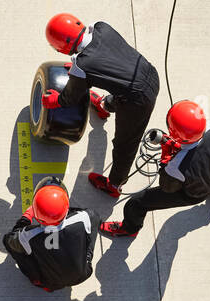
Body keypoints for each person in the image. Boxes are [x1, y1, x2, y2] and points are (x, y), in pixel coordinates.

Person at [40, 12, 159, 198]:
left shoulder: (82, 65)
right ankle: (104, 106)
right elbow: (108, 61)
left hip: (138, 101)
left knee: (124, 145)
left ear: (61, 48)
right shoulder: (101, 26)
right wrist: (76, 71)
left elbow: (69, 98)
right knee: (121, 90)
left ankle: (115, 184)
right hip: (149, 73)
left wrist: (54, 100)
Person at [100, 100, 210, 239]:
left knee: (136, 203)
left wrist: (165, 160)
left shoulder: (176, 166)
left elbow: (168, 187)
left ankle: (129, 229)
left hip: (192, 193)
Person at [2, 184, 97, 291]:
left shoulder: (30, 236)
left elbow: (9, 240)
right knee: (91, 226)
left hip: (49, 282)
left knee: (12, 243)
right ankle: (86, 260)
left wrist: (26, 217)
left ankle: (37, 279)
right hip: (83, 274)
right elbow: (95, 218)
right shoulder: (85, 217)